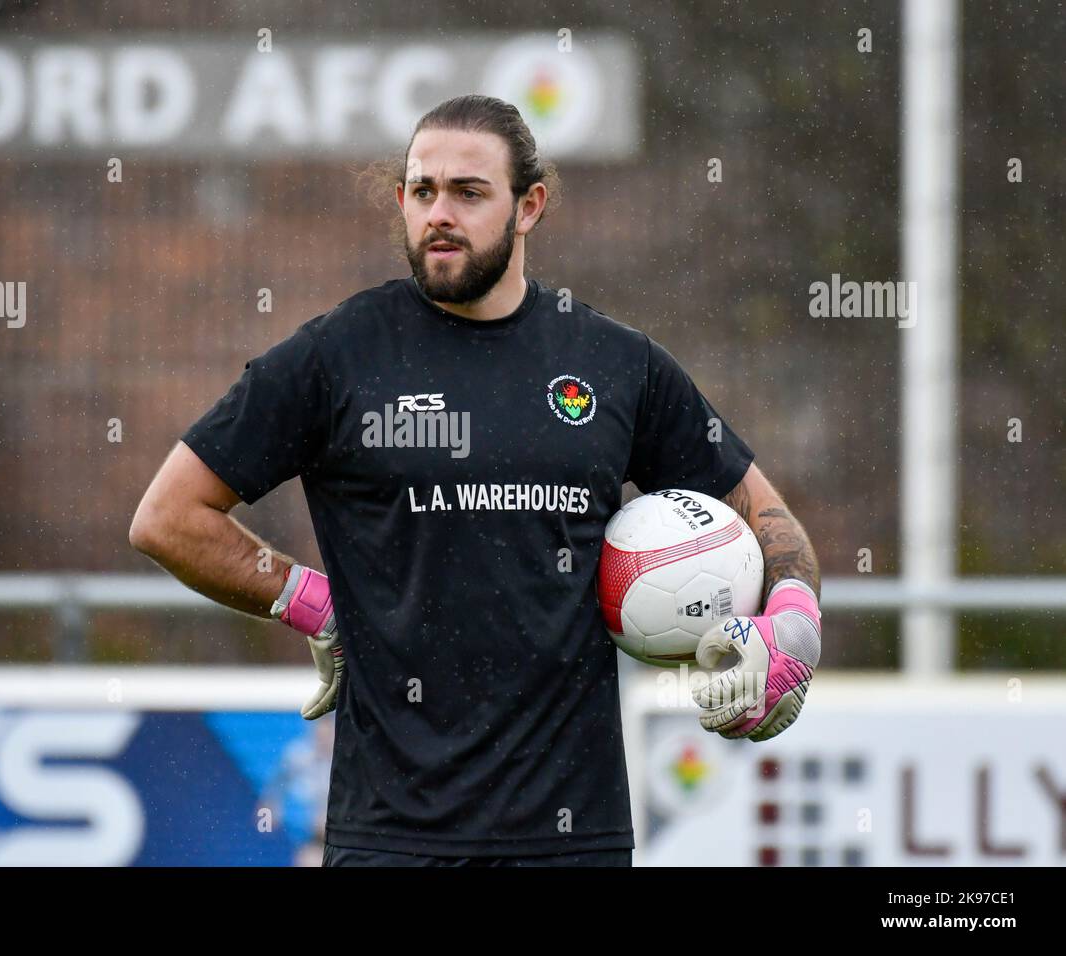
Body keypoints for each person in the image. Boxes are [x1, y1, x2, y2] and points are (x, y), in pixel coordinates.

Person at [129, 94, 822, 867]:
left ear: (529, 207)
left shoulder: (615, 364)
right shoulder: (337, 356)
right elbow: (168, 515)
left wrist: (790, 632)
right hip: (389, 838)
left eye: (468, 192)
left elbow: (769, 519)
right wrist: (311, 604)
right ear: (401, 201)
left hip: (571, 838)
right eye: (422, 192)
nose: (439, 214)